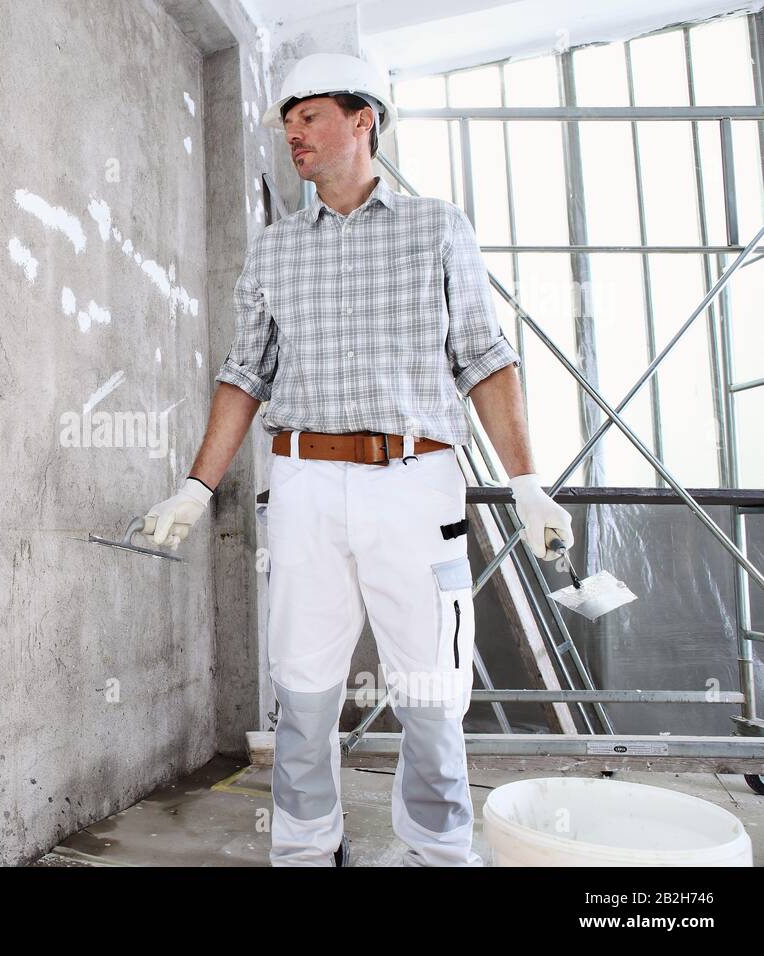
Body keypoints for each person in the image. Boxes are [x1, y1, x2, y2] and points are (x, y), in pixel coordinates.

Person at [140, 52, 573, 867]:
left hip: (417, 484)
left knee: (433, 687)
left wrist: (526, 482)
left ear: (362, 117)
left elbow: (485, 355)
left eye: (307, 116)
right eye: (287, 121)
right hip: (302, 485)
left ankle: (435, 852)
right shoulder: (275, 251)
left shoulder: (436, 227)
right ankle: (305, 848)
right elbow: (245, 374)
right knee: (302, 684)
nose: (292, 133)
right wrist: (195, 488)